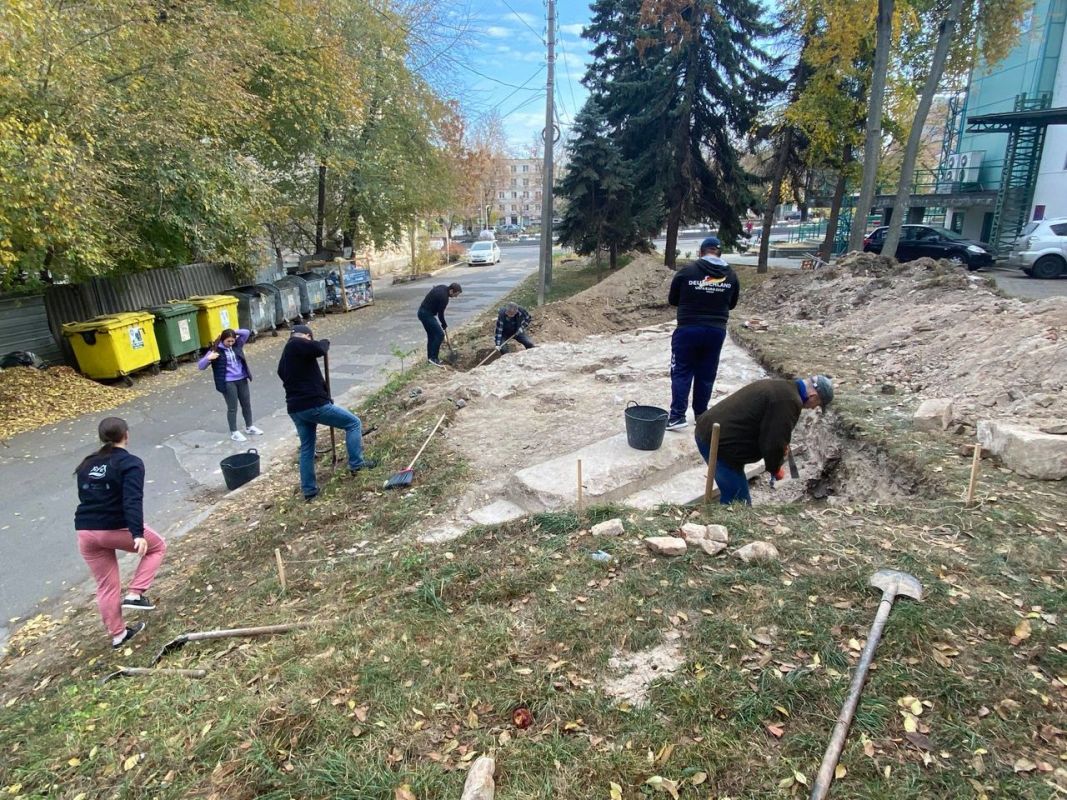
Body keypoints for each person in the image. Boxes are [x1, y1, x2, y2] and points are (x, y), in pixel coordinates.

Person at [74, 417, 167, 649]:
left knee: (106, 585)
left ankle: (119, 635)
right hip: (114, 527)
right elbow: (132, 499)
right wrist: (137, 533)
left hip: (85, 531)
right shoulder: (130, 463)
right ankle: (135, 594)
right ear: (126, 435)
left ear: (101, 438)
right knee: (157, 546)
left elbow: (86, 495)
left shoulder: (87, 464)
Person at [694, 375, 833, 505]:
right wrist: (775, 467)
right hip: (716, 443)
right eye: (818, 404)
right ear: (813, 396)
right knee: (738, 504)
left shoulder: (785, 388)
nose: (814, 407)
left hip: (714, 432)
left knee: (736, 495)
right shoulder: (789, 401)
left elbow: (772, 430)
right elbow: (773, 442)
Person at [277, 324, 378, 502]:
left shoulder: (287, 357)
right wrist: (325, 341)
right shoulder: (296, 344)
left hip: (296, 408)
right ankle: (357, 464)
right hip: (313, 405)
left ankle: (309, 491)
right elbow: (319, 349)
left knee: (307, 448)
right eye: (310, 338)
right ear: (307, 336)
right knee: (353, 423)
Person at [666, 236, 740, 430]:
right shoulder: (731, 275)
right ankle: (702, 416)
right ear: (719, 252)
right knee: (706, 374)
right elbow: (732, 304)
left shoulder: (687, 271)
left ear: (700, 252)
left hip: (688, 329)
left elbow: (673, 299)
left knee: (682, 371)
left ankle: (677, 417)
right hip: (716, 331)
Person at [197, 328, 263, 442]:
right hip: (228, 382)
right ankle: (234, 432)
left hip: (242, 379)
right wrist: (208, 358)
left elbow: (246, 332)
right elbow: (200, 366)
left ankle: (249, 427)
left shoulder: (237, 345)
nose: (231, 343)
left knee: (246, 404)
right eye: (228, 341)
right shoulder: (215, 350)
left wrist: (232, 332)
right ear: (222, 340)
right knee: (232, 407)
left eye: (233, 340)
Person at [418, 282, 462, 367]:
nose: (456, 296)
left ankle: (431, 359)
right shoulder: (444, 298)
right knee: (440, 335)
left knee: (431, 336)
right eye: (456, 294)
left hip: (422, 312)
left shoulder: (443, 287)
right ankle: (434, 358)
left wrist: (443, 324)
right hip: (426, 314)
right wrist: (444, 324)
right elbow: (440, 314)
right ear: (452, 291)